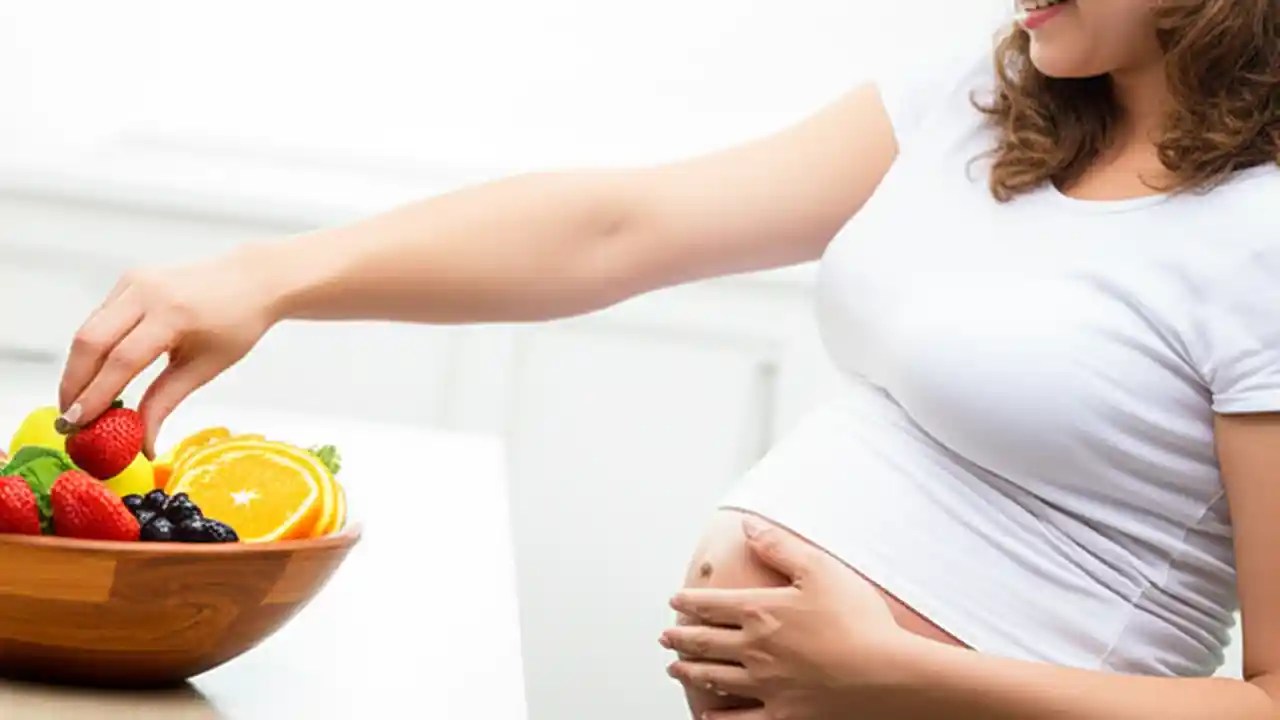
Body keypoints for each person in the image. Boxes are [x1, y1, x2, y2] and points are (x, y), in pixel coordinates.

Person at [56, 0, 1280, 717]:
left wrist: (891, 673)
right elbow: (619, 227)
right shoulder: (990, 95)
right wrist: (269, 279)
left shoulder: (1259, 239)